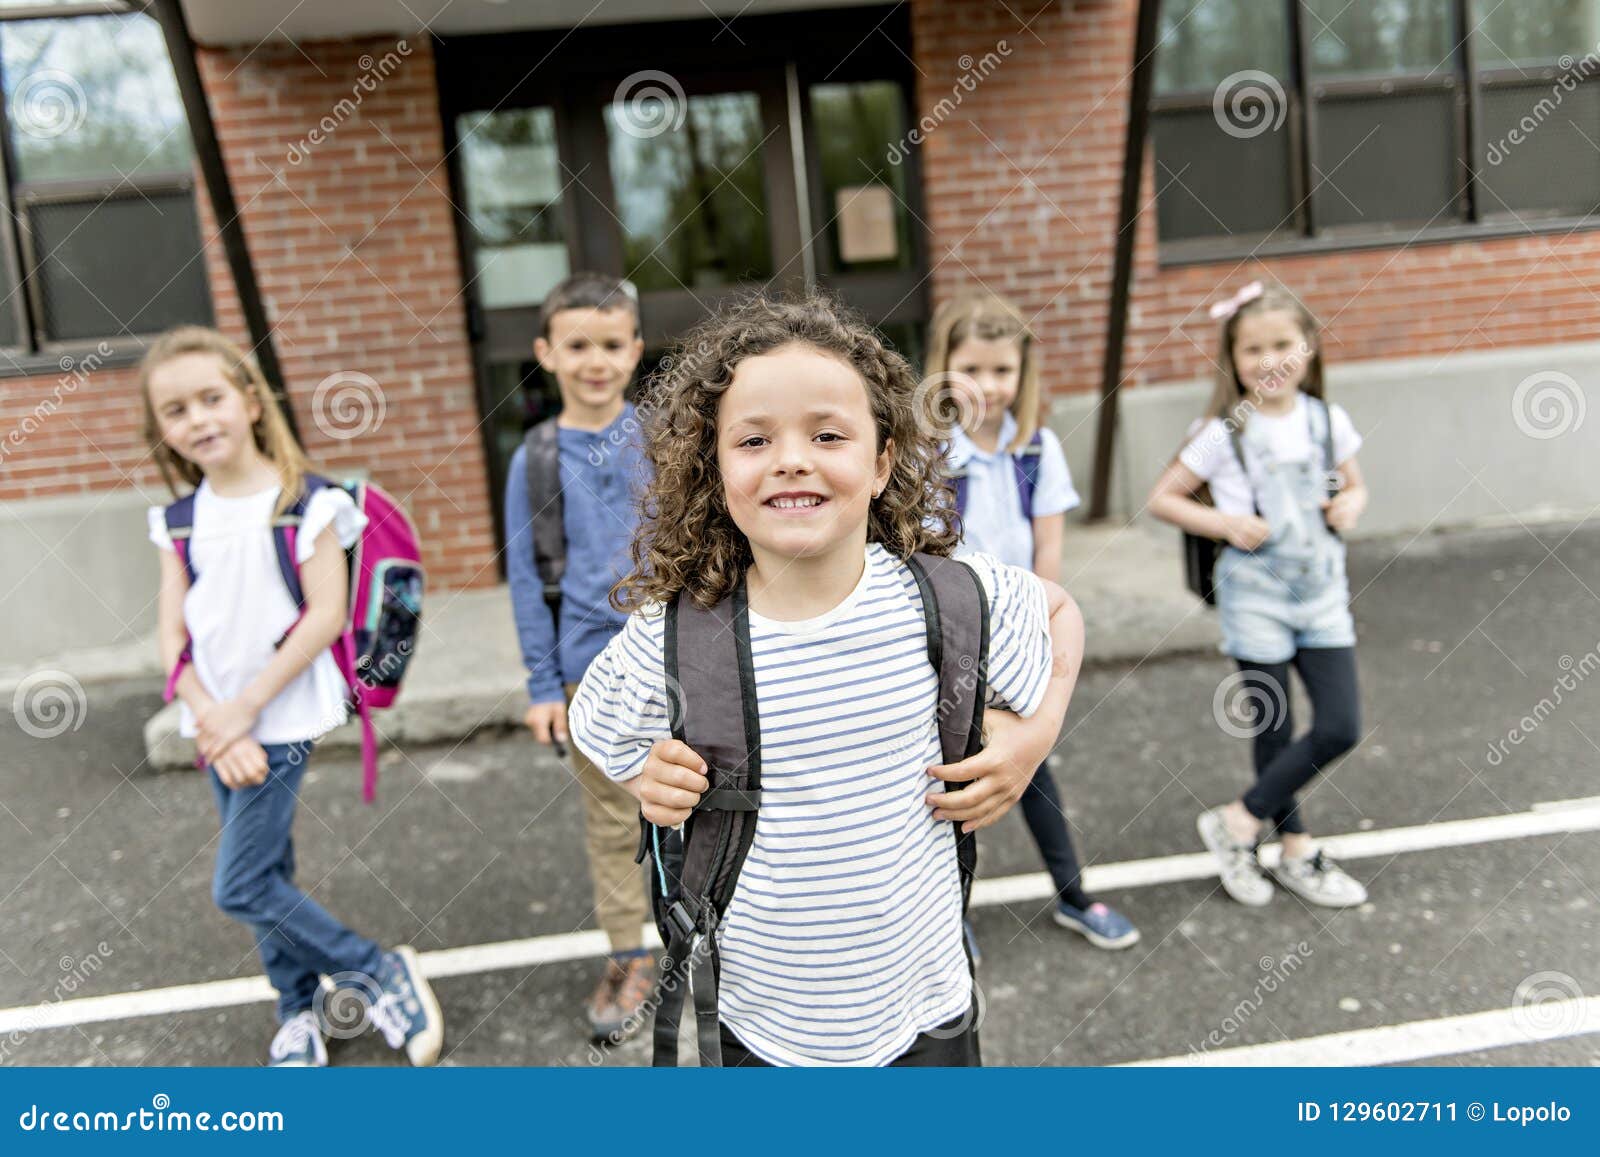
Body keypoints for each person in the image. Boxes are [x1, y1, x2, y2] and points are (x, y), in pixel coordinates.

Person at [568, 293, 1085, 1066]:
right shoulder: (676, 632)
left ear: (881, 462)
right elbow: (595, 722)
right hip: (761, 1027)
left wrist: (1028, 740)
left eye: (828, 434)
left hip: (928, 1008)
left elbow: (1059, 610)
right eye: (753, 439)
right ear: (714, 467)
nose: (791, 459)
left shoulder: (940, 595)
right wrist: (647, 770)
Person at [143, 326, 442, 1068]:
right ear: (162, 430)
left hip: (278, 714)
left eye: (212, 397)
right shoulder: (178, 520)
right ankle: (296, 1003)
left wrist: (244, 711)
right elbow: (170, 635)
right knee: (266, 870)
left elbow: (325, 615)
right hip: (215, 720)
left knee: (239, 882)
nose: (198, 419)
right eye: (176, 410)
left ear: (249, 401)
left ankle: (375, 968)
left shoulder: (306, 502)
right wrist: (213, 715)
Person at [927, 293, 1139, 950]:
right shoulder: (927, 454)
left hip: (1014, 640)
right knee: (947, 780)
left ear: (1024, 374)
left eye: (1002, 370)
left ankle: (1073, 894)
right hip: (943, 641)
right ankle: (944, 914)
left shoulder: (1038, 451)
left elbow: (1049, 556)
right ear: (943, 368)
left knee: (1030, 763)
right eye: (971, 368)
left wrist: (1043, 637)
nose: (988, 386)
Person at [1147, 280, 1369, 909]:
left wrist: (1349, 502)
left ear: (1310, 348)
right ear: (1233, 359)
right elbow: (1164, 498)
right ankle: (1295, 847)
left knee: (1340, 724)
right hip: (1256, 594)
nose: (1269, 361)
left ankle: (1237, 823)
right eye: (1252, 350)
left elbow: (1352, 486)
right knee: (1275, 723)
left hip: (1321, 592)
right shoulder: (1224, 430)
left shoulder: (1327, 420)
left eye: (1283, 345)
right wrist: (1226, 524)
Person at [502, 273, 655, 1040]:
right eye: (577, 345)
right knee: (612, 822)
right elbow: (528, 580)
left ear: (634, 349)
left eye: (610, 344)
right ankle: (632, 959)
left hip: (676, 659)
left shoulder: (665, 440)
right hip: (587, 670)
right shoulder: (533, 459)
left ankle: (726, 939)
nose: (595, 360)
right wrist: (542, 684)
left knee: (706, 803)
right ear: (547, 353)